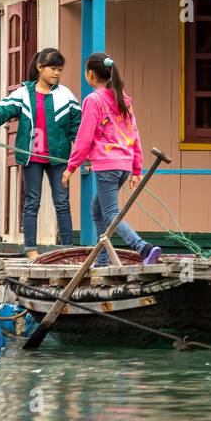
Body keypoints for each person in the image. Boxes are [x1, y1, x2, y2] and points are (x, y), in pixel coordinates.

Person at [0, 47, 80, 260]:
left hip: (58, 158)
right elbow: (0, 112)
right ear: (40, 68)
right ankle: (31, 250)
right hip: (32, 157)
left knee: (62, 202)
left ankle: (68, 250)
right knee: (32, 202)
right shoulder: (23, 93)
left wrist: (86, 152)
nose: (57, 73)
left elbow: (78, 126)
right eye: (53, 69)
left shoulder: (65, 95)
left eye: (60, 69)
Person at [62, 53, 162, 267]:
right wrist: (136, 170)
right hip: (124, 165)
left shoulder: (93, 100)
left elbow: (84, 138)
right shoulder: (123, 100)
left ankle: (142, 247)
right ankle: (103, 259)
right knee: (97, 210)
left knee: (110, 214)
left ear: (90, 74)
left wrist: (71, 167)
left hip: (107, 165)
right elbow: (135, 136)